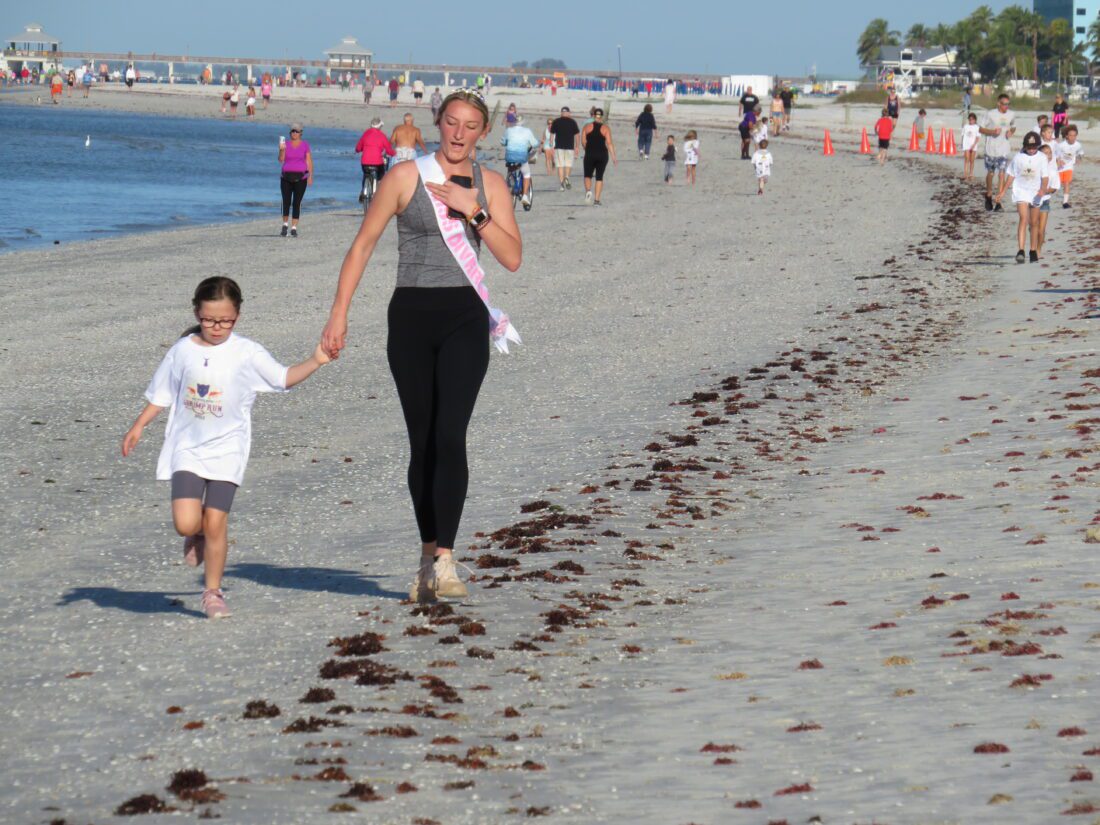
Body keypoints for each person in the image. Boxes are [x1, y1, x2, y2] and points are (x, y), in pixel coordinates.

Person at [320, 88, 523, 604]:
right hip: (410, 315)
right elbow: (362, 244)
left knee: (451, 437)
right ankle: (427, 554)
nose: (458, 133)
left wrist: (473, 211)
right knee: (423, 443)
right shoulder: (405, 176)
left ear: (483, 132)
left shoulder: (490, 184)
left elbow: (513, 257)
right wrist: (338, 314)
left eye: (470, 125)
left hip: (464, 316)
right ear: (438, 122)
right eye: (451, 122)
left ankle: (448, 562)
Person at [122, 277, 329, 619]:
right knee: (187, 524)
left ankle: (212, 592)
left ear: (238, 316)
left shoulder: (246, 353)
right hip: (187, 448)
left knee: (217, 521)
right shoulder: (183, 350)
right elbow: (162, 393)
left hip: (228, 451)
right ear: (196, 313)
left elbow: (282, 379)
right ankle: (197, 534)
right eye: (209, 320)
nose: (216, 327)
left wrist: (316, 359)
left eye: (225, 321)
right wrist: (139, 425)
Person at [994, 132, 1048, 264]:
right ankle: (1021, 250)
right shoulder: (1018, 157)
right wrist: (1002, 192)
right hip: (1021, 191)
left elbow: (1045, 176)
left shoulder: (1042, 158)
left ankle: (1033, 249)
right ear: (1024, 146)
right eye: (1029, 147)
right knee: (1024, 218)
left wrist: (1042, 190)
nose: (1032, 150)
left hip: (1036, 192)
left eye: (1034, 147)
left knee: (1034, 222)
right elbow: (1011, 175)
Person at [980, 93, 1017, 212]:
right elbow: (980, 128)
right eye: (1004, 104)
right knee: (991, 173)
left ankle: (999, 201)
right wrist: (992, 132)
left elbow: (1013, 126)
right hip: (991, 149)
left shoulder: (1011, 114)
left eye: (1008, 104)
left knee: (1002, 174)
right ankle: (989, 194)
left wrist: (1011, 132)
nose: (1006, 106)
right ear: (998, 104)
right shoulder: (990, 114)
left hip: (1004, 149)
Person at [279, 123, 313, 237]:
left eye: (296, 131)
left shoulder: (305, 145)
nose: (294, 133)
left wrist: (310, 176)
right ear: (290, 133)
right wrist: (282, 150)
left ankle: (294, 228)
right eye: (292, 131)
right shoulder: (285, 144)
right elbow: (281, 160)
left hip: (301, 177)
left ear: (301, 133)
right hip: (286, 177)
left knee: (296, 202)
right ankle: (285, 225)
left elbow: (308, 161)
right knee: (286, 201)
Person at [501, 115, 540, 208]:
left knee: (511, 168)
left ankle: (510, 180)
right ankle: (525, 196)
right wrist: (538, 142)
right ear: (523, 122)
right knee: (526, 174)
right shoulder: (527, 131)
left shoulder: (509, 130)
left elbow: (502, 142)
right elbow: (534, 143)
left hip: (509, 157)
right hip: (521, 157)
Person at [580, 108, 617, 206]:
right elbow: (609, 143)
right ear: (602, 116)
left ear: (593, 115)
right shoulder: (605, 128)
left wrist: (586, 149)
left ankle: (588, 191)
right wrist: (613, 156)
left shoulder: (587, 127)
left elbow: (583, 142)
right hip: (602, 155)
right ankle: (596, 200)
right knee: (599, 177)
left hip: (590, 154)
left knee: (587, 175)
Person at [356, 117, 395, 202]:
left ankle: (363, 191)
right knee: (381, 175)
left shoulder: (366, 134)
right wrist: (394, 154)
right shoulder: (381, 135)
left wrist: (361, 149)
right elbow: (388, 149)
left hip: (365, 162)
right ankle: (378, 194)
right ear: (380, 126)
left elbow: (358, 148)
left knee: (366, 174)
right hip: (377, 163)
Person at [1035, 144, 1059, 257]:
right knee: (1033, 227)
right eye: (1045, 153)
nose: (1047, 155)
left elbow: (1054, 188)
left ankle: (1038, 249)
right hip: (1032, 201)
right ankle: (1034, 245)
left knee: (1041, 229)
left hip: (1044, 201)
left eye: (1049, 153)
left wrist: (1045, 191)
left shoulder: (1053, 171)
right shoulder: (1034, 168)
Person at [550, 106, 580, 190]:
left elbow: (552, 135)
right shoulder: (573, 122)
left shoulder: (556, 121)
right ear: (569, 113)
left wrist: (551, 146)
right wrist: (577, 146)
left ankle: (561, 184)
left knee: (560, 166)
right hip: (570, 147)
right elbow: (577, 135)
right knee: (568, 164)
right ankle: (566, 177)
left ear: (561, 113)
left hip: (558, 147)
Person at [1055, 124, 1083, 208]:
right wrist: (1059, 161)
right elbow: (1056, 155)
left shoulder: (1078, 145)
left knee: (1067, 183)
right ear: (1067, 136)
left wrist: (1079, 158)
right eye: (1070, 135)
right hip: (1059, 168)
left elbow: (1080, 153)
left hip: (1069, 167)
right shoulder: (1061, 145)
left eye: (1074, 135)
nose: (1073, 137)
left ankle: (1065, 202)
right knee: (1056, 185)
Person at [961, 112, 980, 180]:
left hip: (973, 145)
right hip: (966, 145)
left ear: (975, 120)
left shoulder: (977, 127)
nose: (971, 121)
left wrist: (973, 145)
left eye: (972, 119)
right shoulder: (965, 126)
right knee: (966, 159)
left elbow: (978, 138)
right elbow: (963, 135)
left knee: (972, 160)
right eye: (969, 119)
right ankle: (965, 174)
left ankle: (971, 173)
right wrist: (962, 145)